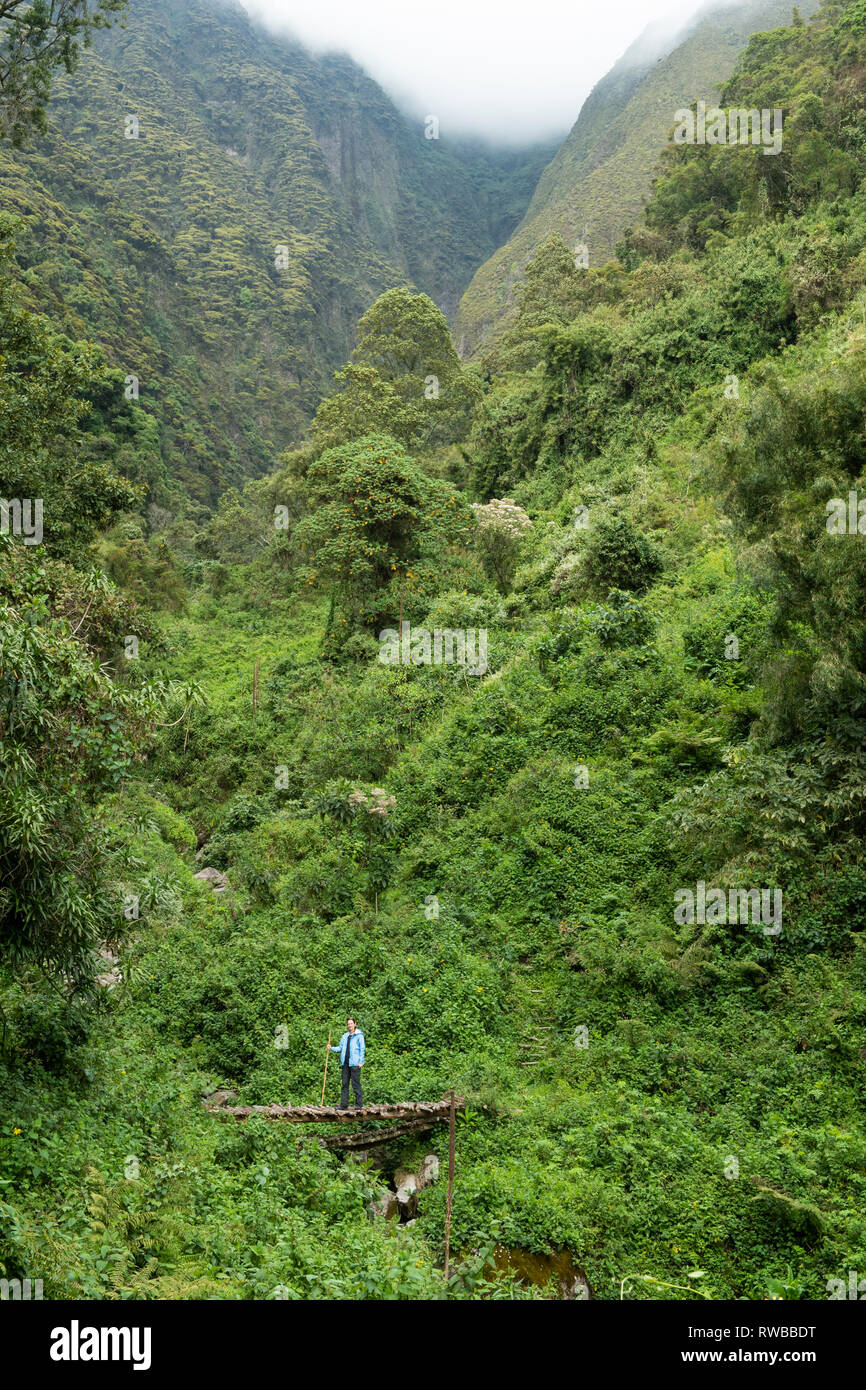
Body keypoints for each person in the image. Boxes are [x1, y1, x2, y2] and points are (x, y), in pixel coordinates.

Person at [330, 1016, 365, 1110]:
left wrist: (361, 1062)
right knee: (344, 1084)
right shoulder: (345, 1036)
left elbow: (362, 1049)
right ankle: (343, 1105)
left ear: (355, 1024)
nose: (349, 1025)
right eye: (348, 1024)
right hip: (345, 1063)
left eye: (351, 1023)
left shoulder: (359, 1035)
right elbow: (340, 1048)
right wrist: (331, 1048)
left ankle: (359, 1105)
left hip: (355, 1063)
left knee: (356, 1084)